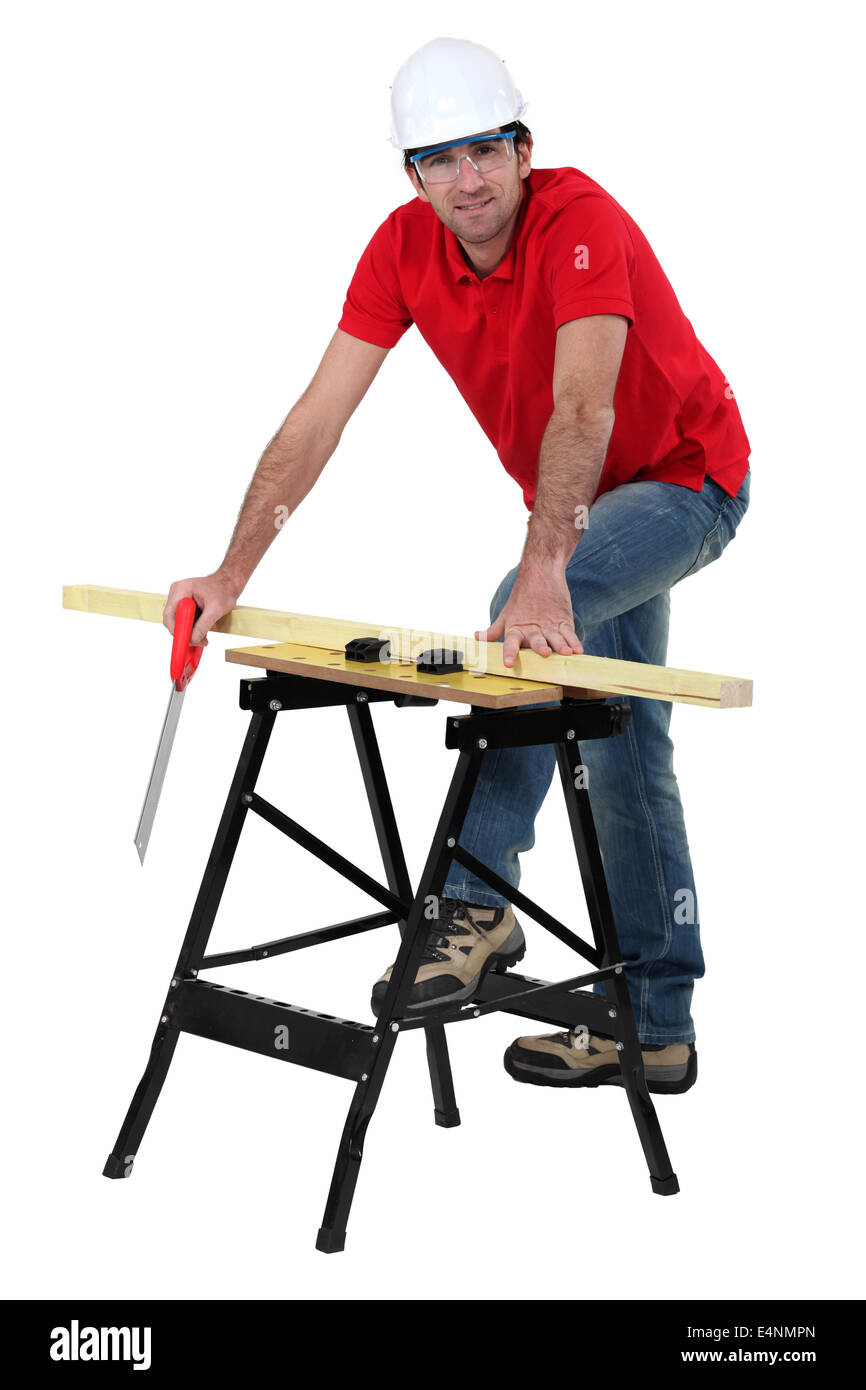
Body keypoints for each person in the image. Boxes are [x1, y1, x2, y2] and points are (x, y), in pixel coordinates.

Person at [164, 36, 751, 1097]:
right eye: (438, 159)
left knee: (520, 615)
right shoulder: (399, 249)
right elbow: (315, 421)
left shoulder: (581, 224)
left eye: (483, 150)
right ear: (411, 175)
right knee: (622, 753)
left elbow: (584, 409)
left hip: (686, 483)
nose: (465, 179)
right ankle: (654, 1028)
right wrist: (228, 574)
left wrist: (542, 569)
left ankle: (474, 905)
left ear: (522, 149)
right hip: (583, 511)